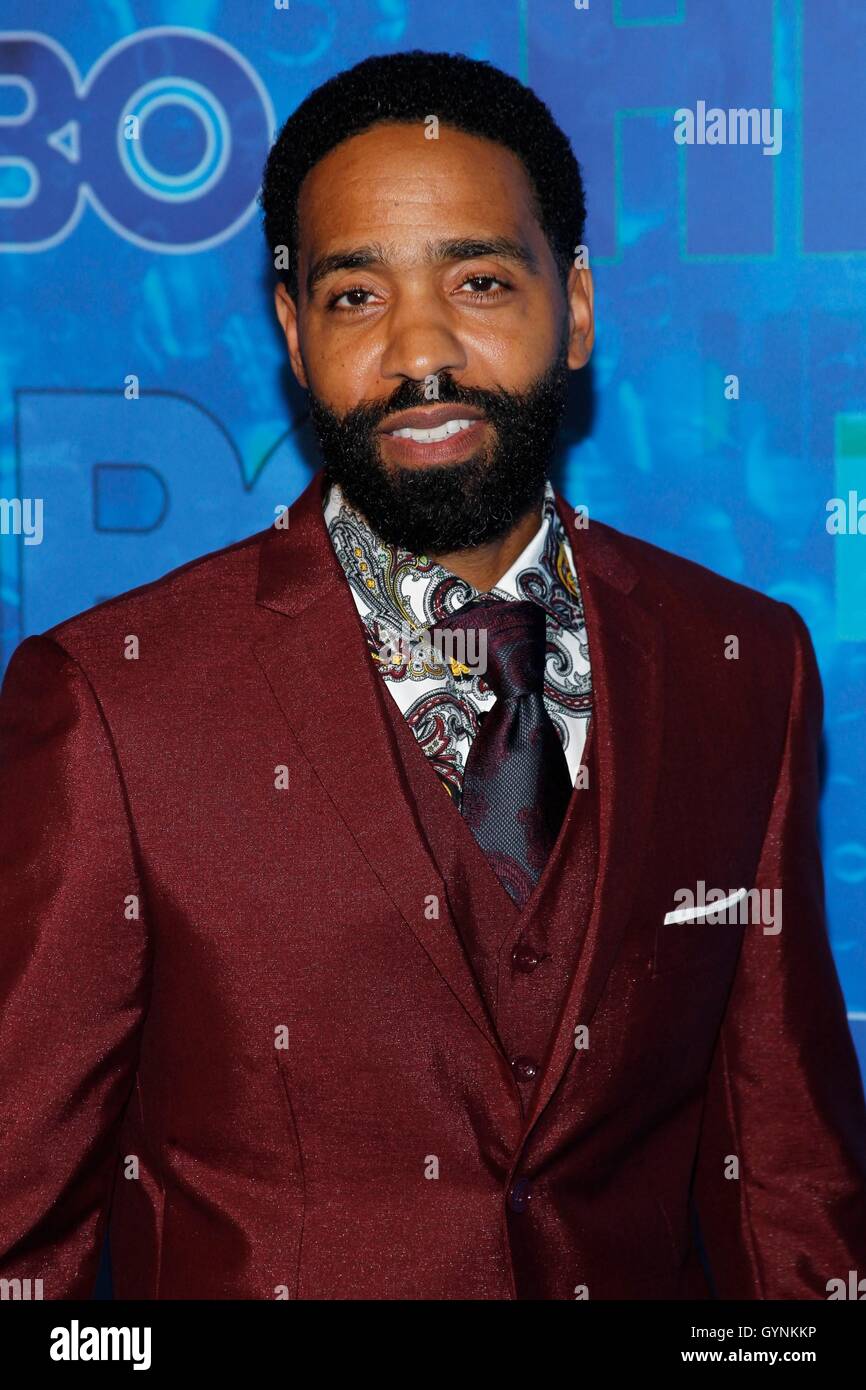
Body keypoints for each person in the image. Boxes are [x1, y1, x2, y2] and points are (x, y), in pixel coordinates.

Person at [1, 49, 864, 1301]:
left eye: (476, 278)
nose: (420, 352)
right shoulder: (112, 700)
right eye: (355, 296)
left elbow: (787, 1173)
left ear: (573, 306)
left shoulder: (739, 663)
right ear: (294, 335)